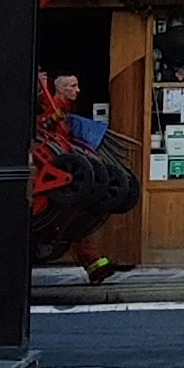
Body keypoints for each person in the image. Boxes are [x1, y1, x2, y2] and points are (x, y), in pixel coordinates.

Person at [30, 69, 136, 283]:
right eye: (72, 86)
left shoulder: (65, 114)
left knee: (77, 216)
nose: (77, 90)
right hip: (55, 178)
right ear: (59, 88)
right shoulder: (53, 113)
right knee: (74, 216)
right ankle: (94, 264)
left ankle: (95, 264)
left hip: (65, 176)